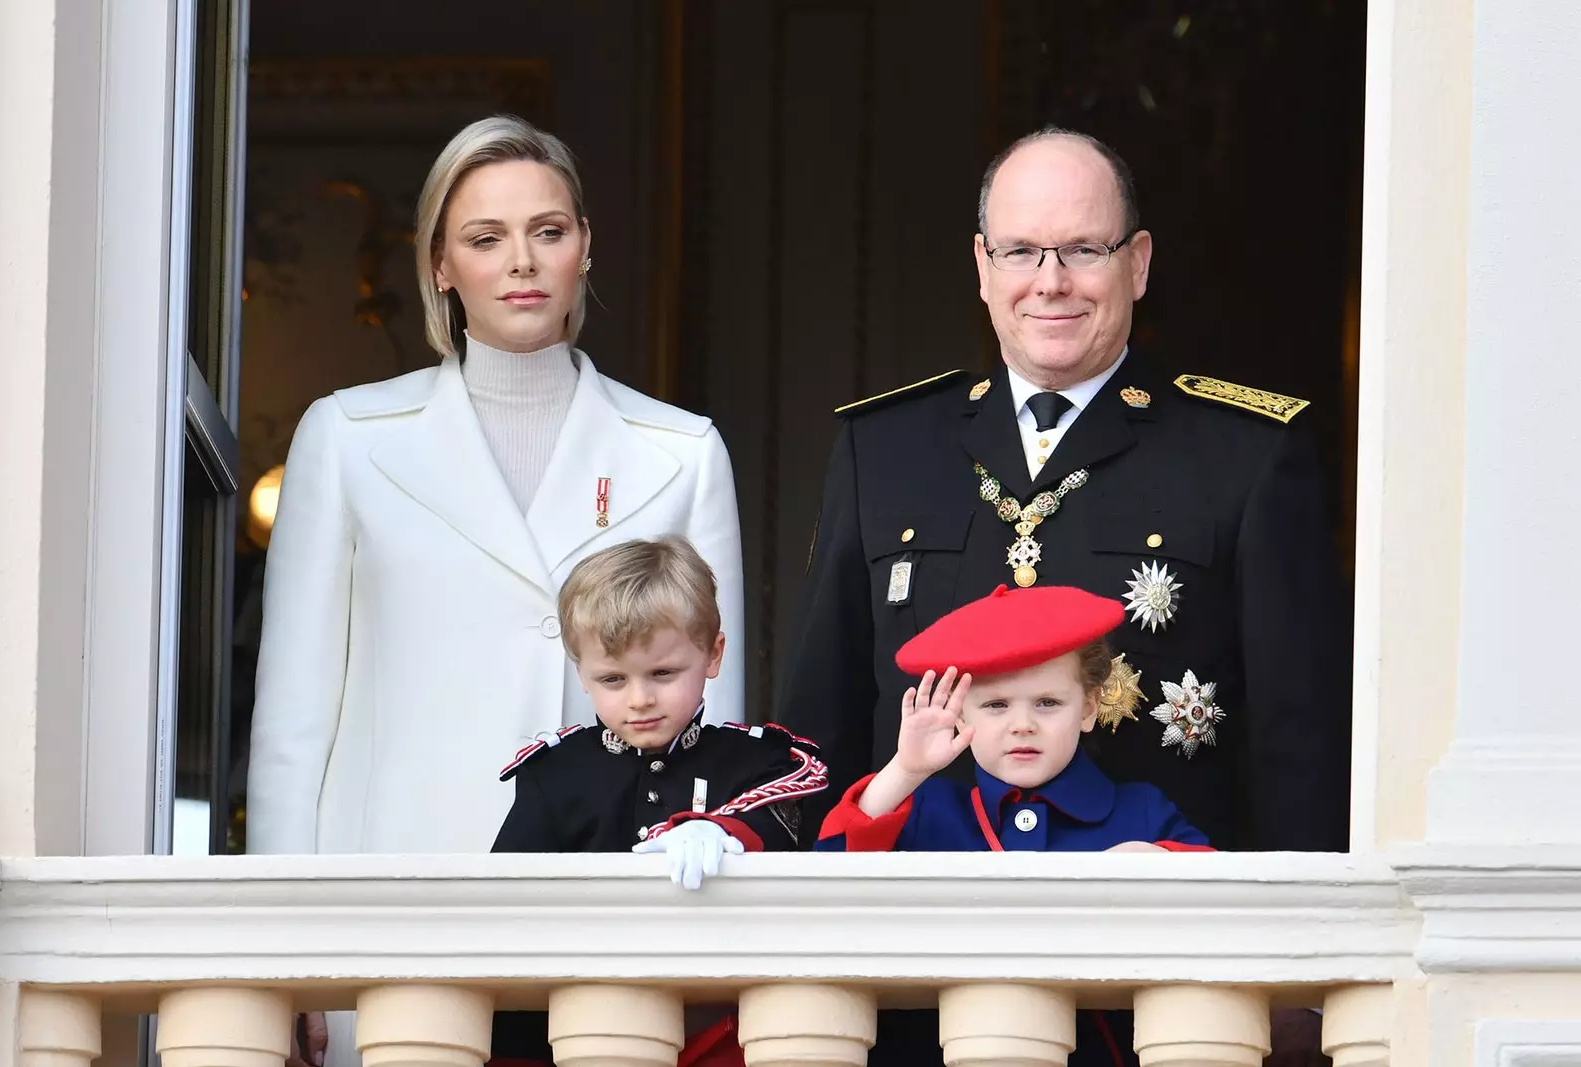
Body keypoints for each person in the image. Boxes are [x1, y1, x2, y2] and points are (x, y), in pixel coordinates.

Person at [248, 115, 744, 1067]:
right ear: (440, 263)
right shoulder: (348, 437)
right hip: (391, 904)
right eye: (485, 238)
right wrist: (289, 951)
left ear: (584, 247)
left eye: (548, 231)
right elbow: (293, 728)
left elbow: (712, 724)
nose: (522, 261)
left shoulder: (681, 452)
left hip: (605, 922)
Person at [779, 125, 1348, 857]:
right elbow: (819, 722)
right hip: (921, 928)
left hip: (1158, 934)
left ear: (1137, 265)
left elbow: (1298, 742)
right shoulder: (882, 449)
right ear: (983, 266)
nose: (1050, 281)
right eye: (1020, 251)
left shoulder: (1246, 455)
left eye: (1084, 250)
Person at [818, 583, 1210, 1067]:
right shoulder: (927, 807)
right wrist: (905, 770)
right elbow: (830, 875)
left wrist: (1160, 861)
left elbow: (1221, 893)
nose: (1022, 724)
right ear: (959, 713)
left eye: (1047, 703)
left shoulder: (1139, 811)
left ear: (1088, 708)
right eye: (996, 705)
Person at [490, 536, 825, 1065]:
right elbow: (506, 903)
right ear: (581, 671)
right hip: (583, 1029)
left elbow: (789, 832)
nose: (639, 698)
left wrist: (723, 830)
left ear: (713, 654)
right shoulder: (555, 774)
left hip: (724, 1033)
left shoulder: (757, 762)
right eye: (612, 679)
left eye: (663, 673)